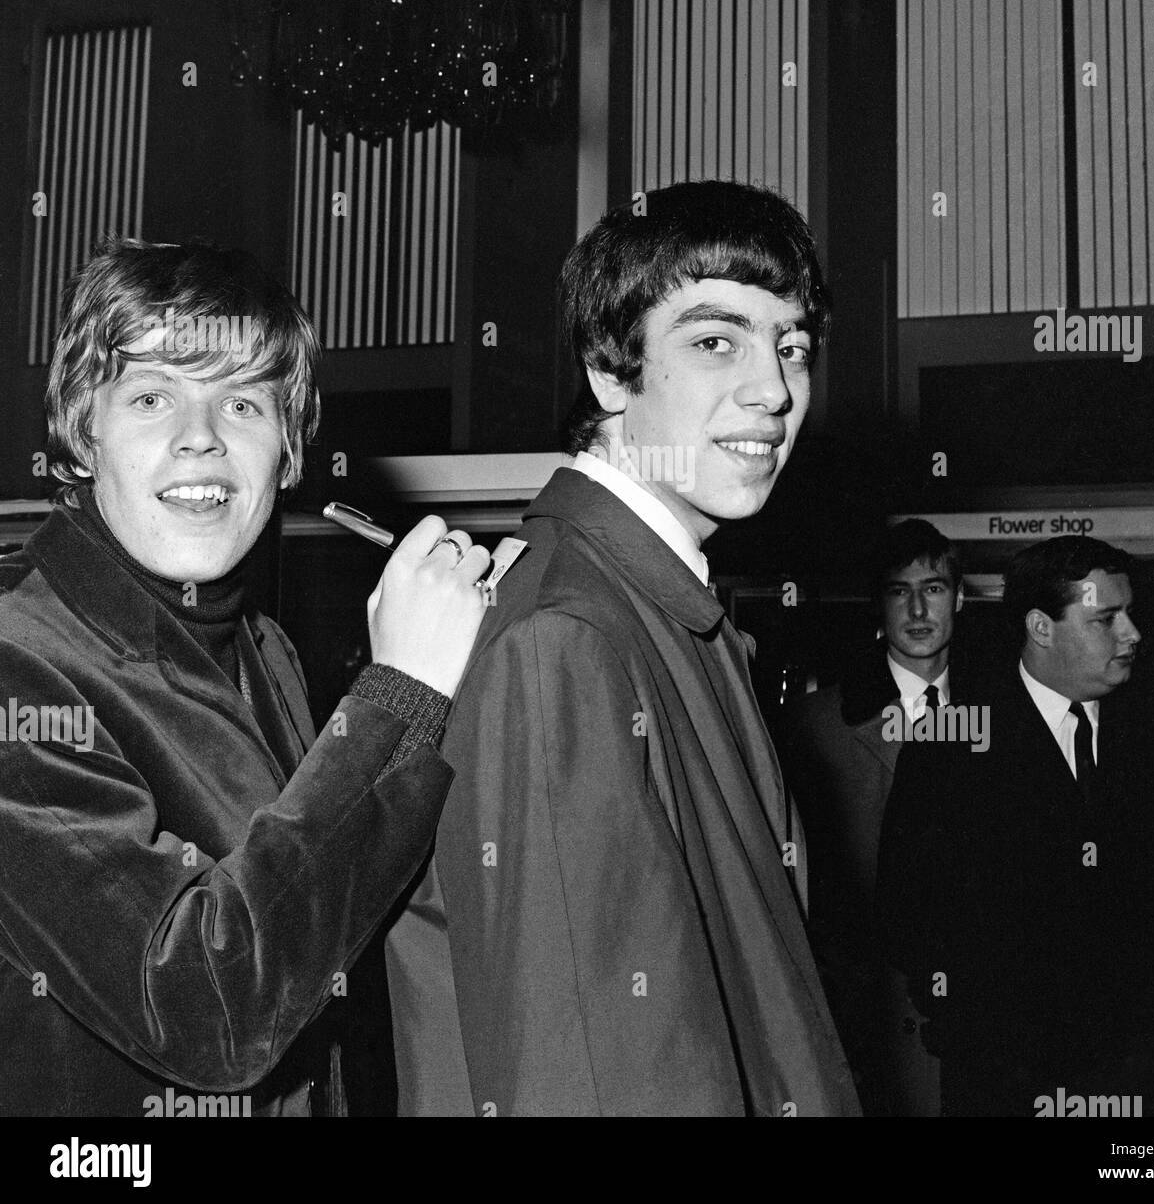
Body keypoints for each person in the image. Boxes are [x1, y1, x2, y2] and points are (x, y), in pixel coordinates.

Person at [386, 180, 860, 1116]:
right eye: (715, 341)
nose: (772, 390)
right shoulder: (566, 637)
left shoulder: (646, 605)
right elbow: (592, 1077)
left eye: (791, 346)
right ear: (609, 372)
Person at [0, 238, 490, 1117]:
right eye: (152, 398)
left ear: (289, 451)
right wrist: (398, 697)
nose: (201, 439)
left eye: (244, 404)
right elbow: (205, 1010)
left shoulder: (265, 649)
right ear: (84, 432)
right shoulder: (14, 655)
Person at [877, 534, 1154, 1115]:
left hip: (1146, 1073)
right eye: (1106, 619)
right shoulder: (952, 741)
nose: (1132, 634)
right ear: (1041, 627)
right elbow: (909, 908)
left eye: (1129, 614)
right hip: (1005, 1076)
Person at [781, 517, 965, 1114]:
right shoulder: (813, 727)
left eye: (933, 588)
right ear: (876, 607)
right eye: (897, 591)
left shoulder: (1006, 715)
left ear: (959, 598)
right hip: (862, 1022)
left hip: (977, 1022)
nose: (917, 608)